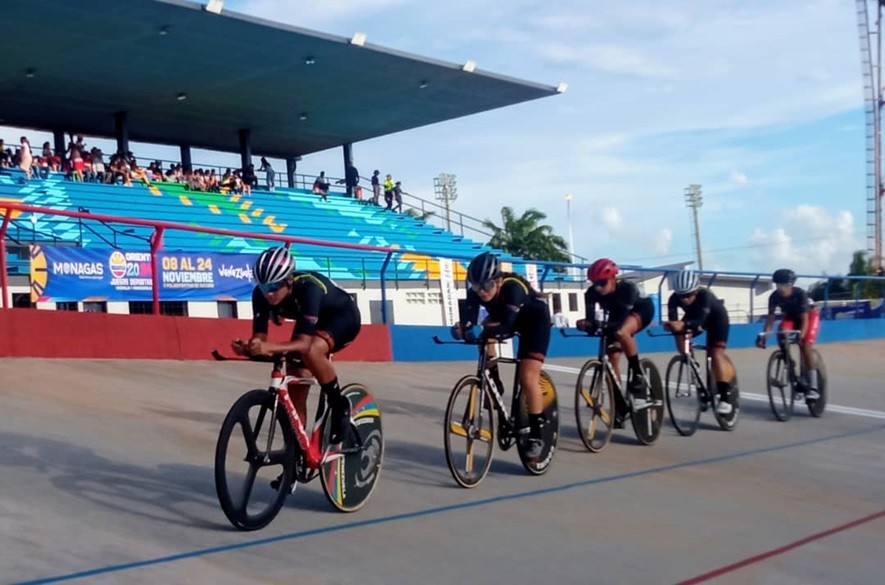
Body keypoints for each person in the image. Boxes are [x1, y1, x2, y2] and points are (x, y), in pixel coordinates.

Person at [231, 246, 362, 447]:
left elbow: (303, 344)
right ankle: (296, 453)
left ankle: (339, 405)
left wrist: (268, 347)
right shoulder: (260, 294)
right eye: (264, 287)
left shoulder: (309, 288)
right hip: (310, 323)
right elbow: (260, 338)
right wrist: (249, 347)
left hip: (342, 318)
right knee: (296, 387)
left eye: (274, 287)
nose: (269, 294)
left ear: (289, 280)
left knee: (311, 351)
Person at [451, 252, 552, 461]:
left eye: (486, 287)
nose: (481, 292)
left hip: (534, 323)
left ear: (497, 281)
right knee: (485, 334)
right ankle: (494, 381)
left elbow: (506, 324)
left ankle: (536, 435)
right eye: (476, 286)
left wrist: (479, 330)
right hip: (506, 318)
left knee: (528, 377)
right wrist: (462, 329)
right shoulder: (476, 291)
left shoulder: (513, 287)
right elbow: (469, 322)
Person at [575, 258, 655, 416]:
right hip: (617, 315)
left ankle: (637, 373)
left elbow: (618, 323)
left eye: (602, 283)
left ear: (612, 279)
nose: (598, 288)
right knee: (611, 359)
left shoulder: (627, 289)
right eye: (594, 283)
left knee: (622, 332)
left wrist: (599, 325)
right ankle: (620, 404)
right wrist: (586, 324)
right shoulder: (591, 293)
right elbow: (591, 320)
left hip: (641, 311)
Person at [663, 269, 736, 414]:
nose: (685, 299)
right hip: (694, 318)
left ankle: (724, 397)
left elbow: (699, 321)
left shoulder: (705, 296)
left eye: (688, 295)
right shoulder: (673, 299)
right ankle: (688, 358)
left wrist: (682, 325)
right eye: (681, 295)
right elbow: (675, 322)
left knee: (715, 354)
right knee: (678, 331)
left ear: (695, 291)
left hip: (716, 319)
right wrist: (673, 327)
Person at [756, 268, 821, 399]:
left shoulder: (800, 294)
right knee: (781, 333)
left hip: (809, 317)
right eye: (778, 285)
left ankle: (813, 387)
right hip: (791, 318)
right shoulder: (774, 297)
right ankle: (789, 361)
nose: (781, 288)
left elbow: (804, 319)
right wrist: (764, 336)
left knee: (805, 345)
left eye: (784, 285)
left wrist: (801, 336)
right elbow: (770, 320)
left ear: (791, 285)